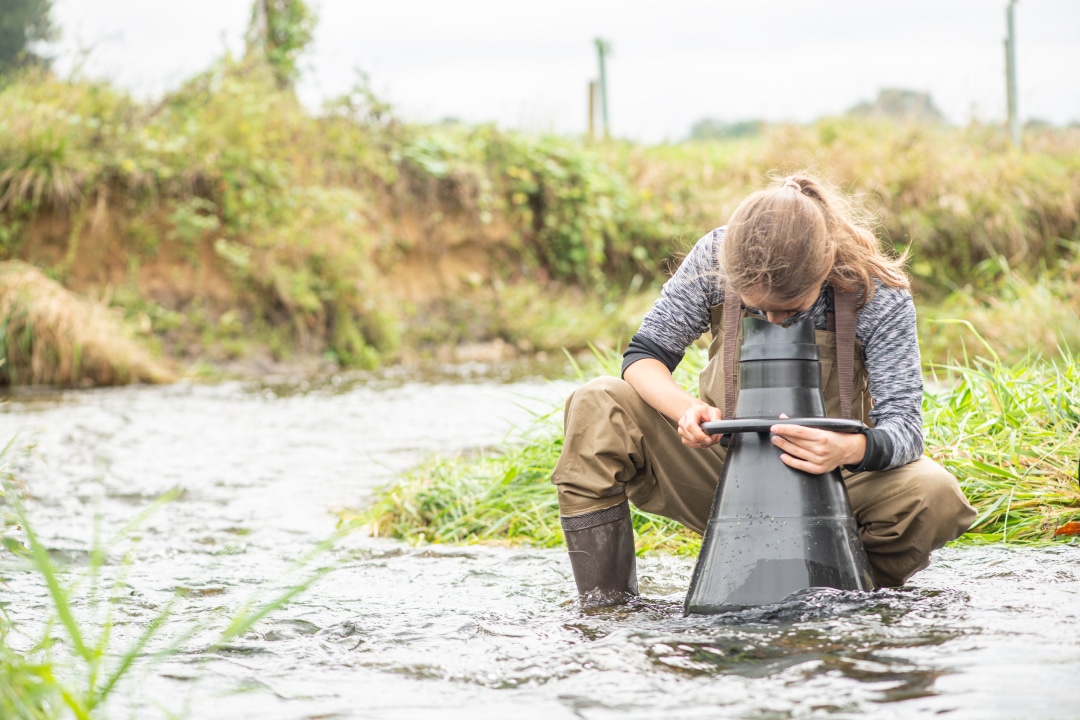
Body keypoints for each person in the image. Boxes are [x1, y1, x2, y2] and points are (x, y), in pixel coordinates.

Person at [551, 173, 977, 605]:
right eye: (758, 309)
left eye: (790, 309)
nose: (773, 321)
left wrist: (847, 449)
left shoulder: (878, 293)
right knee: (597, 401)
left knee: (934, 492)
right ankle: (609, 610)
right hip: (725, 468)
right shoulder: (715, 256)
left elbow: (905, 430)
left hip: (836, 482)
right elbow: (642, 357)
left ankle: (847, 599)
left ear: (826, 262)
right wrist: (686, 410)